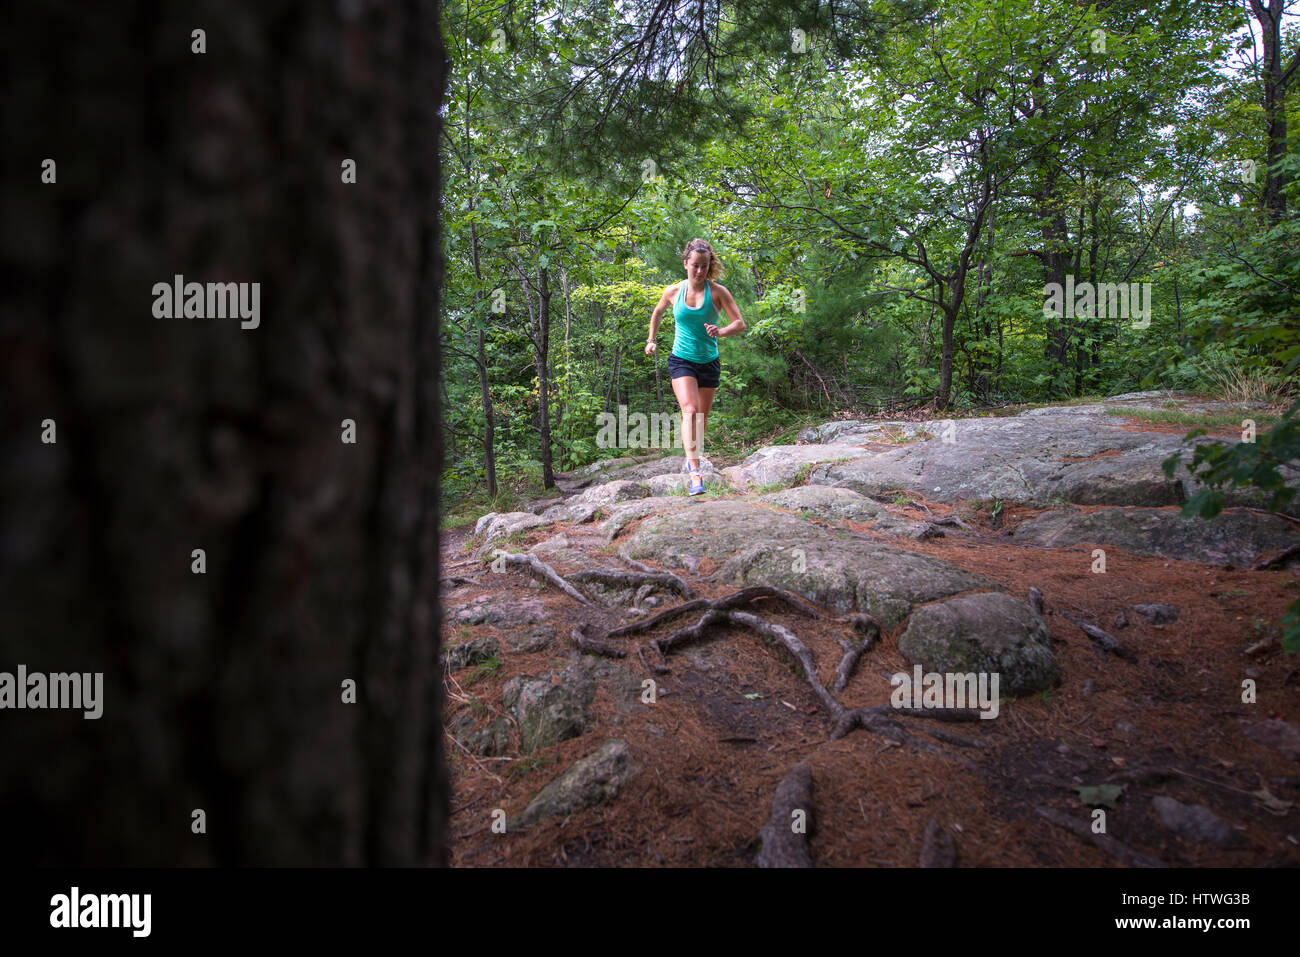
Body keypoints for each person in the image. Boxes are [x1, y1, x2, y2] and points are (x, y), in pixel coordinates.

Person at [644, 238, 747, 495]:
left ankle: (694, 456)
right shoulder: (673, 292)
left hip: (709, 362)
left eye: (704, 266)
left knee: (700, 419)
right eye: (695, 266)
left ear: (709, 265)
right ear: (685, 264)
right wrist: (651, 340)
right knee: (689, 411)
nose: (699, 271)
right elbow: (657, 312)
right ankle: (695, 473)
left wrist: (720, 331)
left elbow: (740, 324)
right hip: (681, 359)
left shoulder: (719, 292)